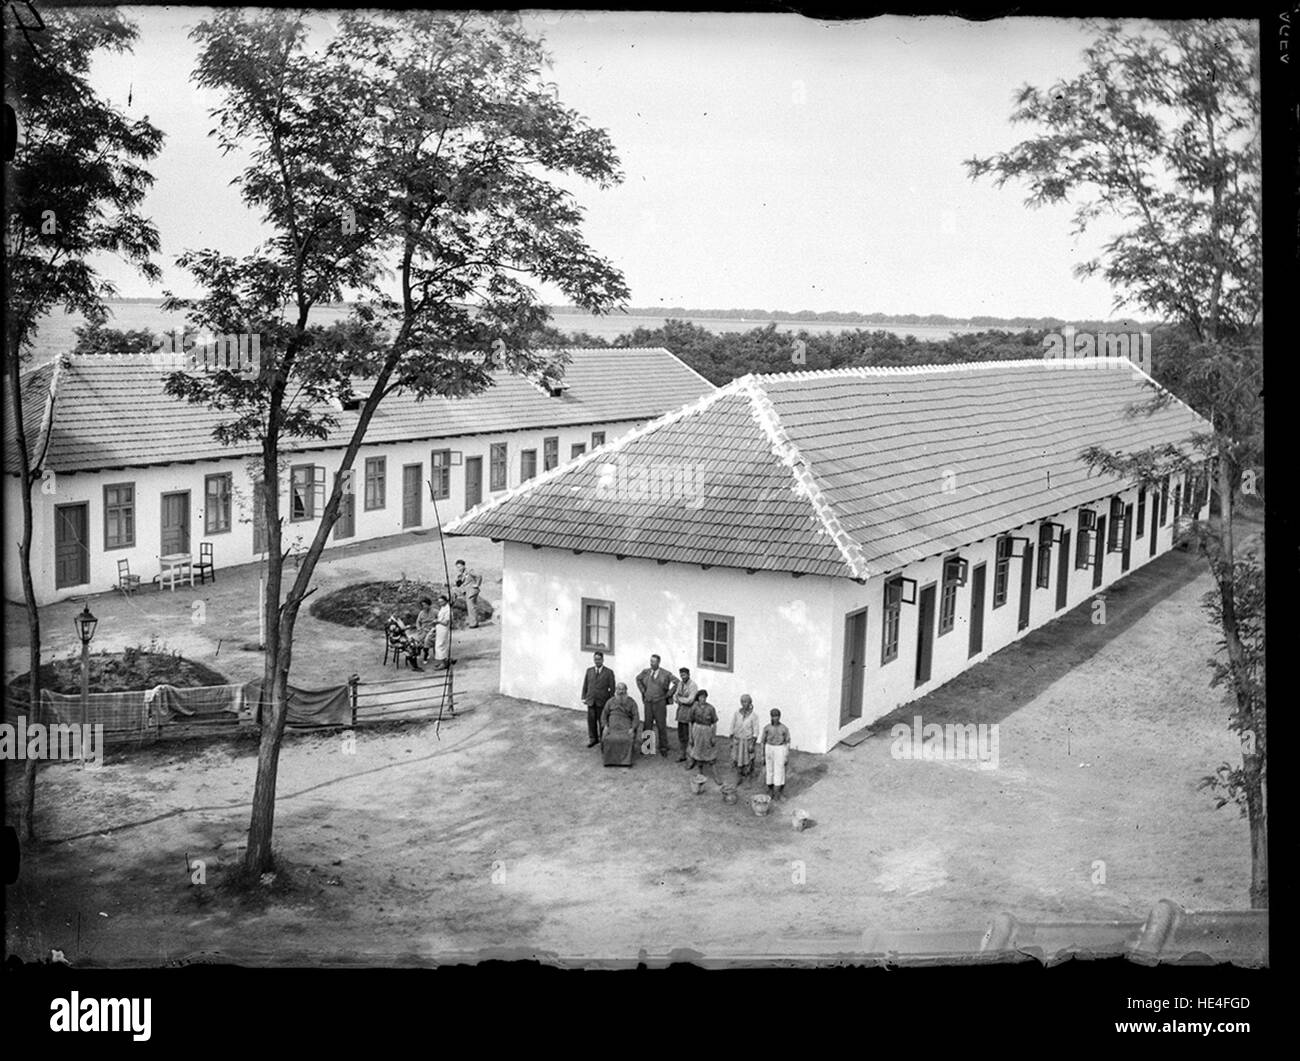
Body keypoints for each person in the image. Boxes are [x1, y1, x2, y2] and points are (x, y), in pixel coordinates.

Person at [636, 654, 677, 758]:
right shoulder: (646, 672)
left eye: (654, 661)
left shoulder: (666, 674)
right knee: (647, 724)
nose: (651, 663)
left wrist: (669, 693)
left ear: (658, 662)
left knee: (661, 725)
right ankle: (647, 747)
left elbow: (677, 682)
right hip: (648, 702)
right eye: (651, 661)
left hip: (660, 703)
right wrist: (643, 691)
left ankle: (663, 747)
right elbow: (638, 679)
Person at [599, 682, 641, 767]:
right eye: (619, 689)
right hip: (612, 726)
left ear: (626, 690)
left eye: (623, 689)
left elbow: (636, 716)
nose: (621, 691)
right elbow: (604, 714)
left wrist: (633, 728)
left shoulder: (631, 702)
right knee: (608, 738)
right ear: (616, 690)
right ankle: (609, 761)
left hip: (625, 727)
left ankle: (625, 762)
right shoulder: (610, 701)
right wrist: (605, 726)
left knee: (626, 739)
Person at [580, 651, 616, 749]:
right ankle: (593, 739)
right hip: (591, 700)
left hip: (602, 701)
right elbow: (585, 684)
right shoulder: (589, 671)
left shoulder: (609, 672)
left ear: (603, 660)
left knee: (602, 721)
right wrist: (584, 696)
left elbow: (612, 689)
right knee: (591, 721)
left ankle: (603, 740)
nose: (597, 661)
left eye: (599, 659)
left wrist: (611, 701)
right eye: (595, 659)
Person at [685, 689, 720, 782]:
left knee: (709, 752)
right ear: (698, 698)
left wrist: (713, 736)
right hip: (696, 730)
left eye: (704, 697)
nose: (703, 699)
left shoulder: (711, 708)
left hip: (707, 730)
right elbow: (690, 722)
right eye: (701, 697)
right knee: (698, 751)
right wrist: (690, 737)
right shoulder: (694, 707)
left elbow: (714, 723)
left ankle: (716, 775)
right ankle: (700, 771)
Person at [759, 709, 792, 801]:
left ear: (779, 717)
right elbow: (762, 741)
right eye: (773, 716)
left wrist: (786, 755)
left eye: (777, 716)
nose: (775, 718)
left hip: (780, 748)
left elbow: (788, 741)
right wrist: (762, 755)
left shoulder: (784, 728)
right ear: (771, 717)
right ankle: (770, 790)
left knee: (779, 769)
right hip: (769, 748)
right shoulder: (767, 728)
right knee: (769, 769)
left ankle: (778, 792)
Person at [672, 667, 699, 762]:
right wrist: (680, 699)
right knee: (681, 735)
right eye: (681, 675)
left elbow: (691, 700)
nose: (683, 677)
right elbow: (675, 696)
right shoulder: (680, 683)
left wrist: (680, 699)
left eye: (684, 675)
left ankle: (691, 756)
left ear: (688, 674)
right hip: (681, 712)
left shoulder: (693, 685)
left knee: (690, 735)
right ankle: (682, 754)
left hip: (689, 712)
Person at [731, 694, 760, 780]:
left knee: (749, 759)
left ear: (750, 702)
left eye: (746, 701)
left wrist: (752, 743)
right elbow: (733, 725)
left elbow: (756, 730)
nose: (744, 704)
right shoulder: (737, 713)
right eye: (742, 702)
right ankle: (739, 776)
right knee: (737, 758)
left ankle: (748, 776)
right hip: (738, 739)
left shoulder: (754, 716)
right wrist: (732, 738)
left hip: (748, 740)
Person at [453, 559, 483, 628]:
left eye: (460, 567)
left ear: (464, 566)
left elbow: (479, 576)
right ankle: (474, 622)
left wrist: (477, 584)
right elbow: (460, 584)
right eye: (457, 567)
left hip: (472, 590)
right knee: (471, 606)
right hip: (467, 591)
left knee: (471, 606)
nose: (459, 568)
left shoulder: (469, 571)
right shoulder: (461, 575)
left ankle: (473, 624)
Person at [432, 593, 454, 669]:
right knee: (440, 645)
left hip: (443, 628)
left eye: (442, 601)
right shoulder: (443, 608)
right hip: (440, 628)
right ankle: (444, 661)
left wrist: (437, 621)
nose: (440, 603)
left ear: (445, 601)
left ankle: (443, 663)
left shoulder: (448, 609)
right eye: (439, 602)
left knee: (440, 645)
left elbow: (446, 622)